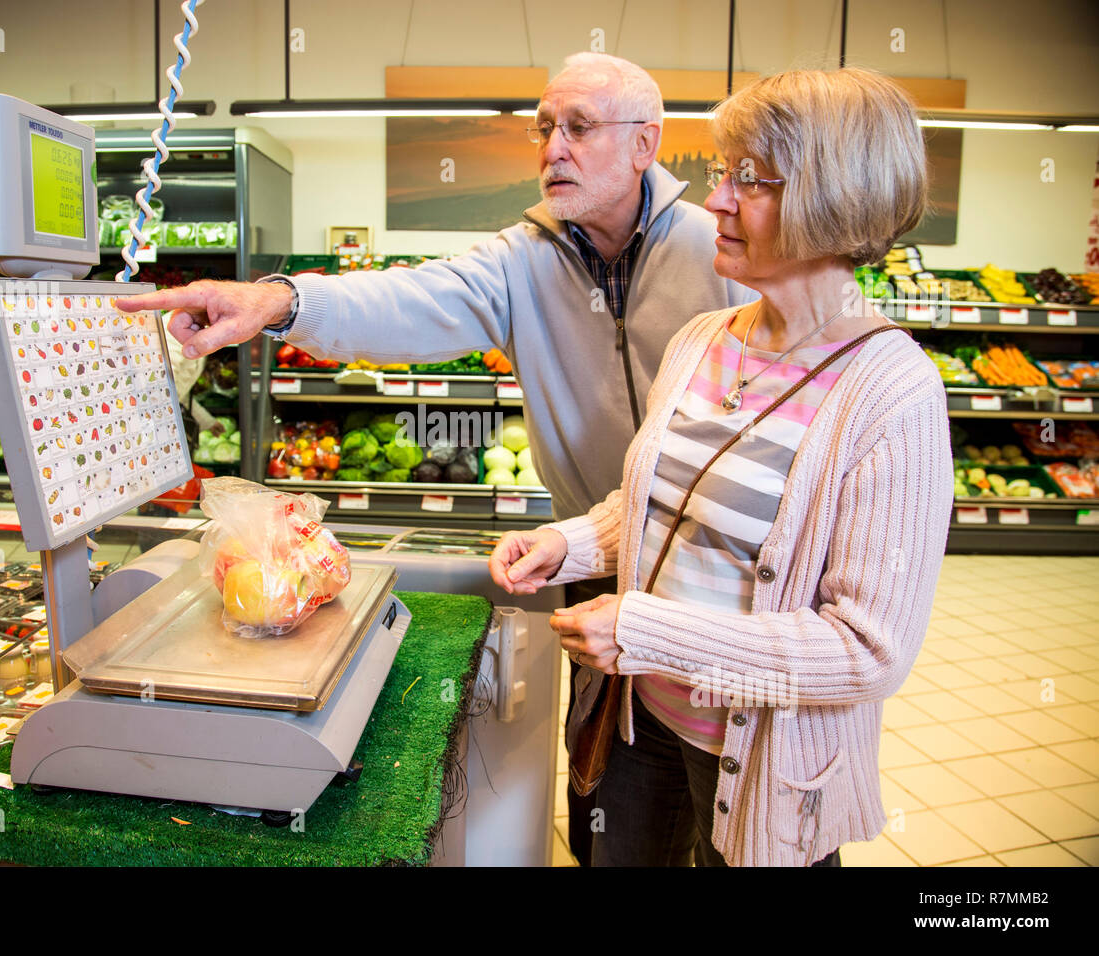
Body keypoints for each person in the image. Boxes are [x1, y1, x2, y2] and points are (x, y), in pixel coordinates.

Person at [118, 52, 754, 865]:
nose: (552, 147)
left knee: (738, 825)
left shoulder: (718, 252)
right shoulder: (527, 257)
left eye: (580, 128)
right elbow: (411, 297)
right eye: (544, 128)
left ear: (645, 145)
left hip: (726, 596)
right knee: (617, 812)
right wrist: (279, 301)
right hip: (602, 574)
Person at [488, 67, 953, 867]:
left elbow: (869, 650)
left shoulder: (891, 391)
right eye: (720, 174)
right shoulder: (706, 337)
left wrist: (645, 631)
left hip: (761, 759)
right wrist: (572, 543)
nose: (717, 203)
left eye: (750, 180)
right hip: (641, 728)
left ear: (833, 197)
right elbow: (662, 504)